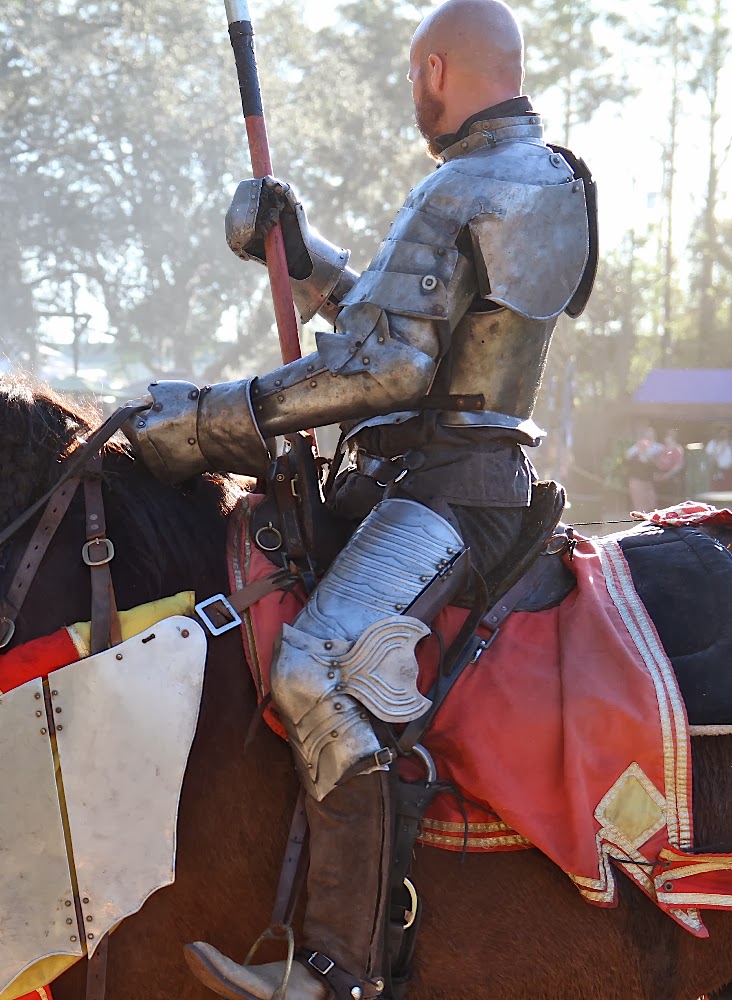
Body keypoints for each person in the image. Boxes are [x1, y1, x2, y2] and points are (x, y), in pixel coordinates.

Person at [125, 2, 594, 997]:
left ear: (432, 69)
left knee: (313, 667)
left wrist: (203, 420)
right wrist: (302, 254)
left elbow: (387, 370)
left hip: (447, 494)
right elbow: (411, 332)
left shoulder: (468, 181)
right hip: (436, 478)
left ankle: (343, 963)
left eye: (410, 77)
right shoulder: (535, 177)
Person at [624, 425, 661, 512]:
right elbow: (627, 455)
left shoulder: (658, 449)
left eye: (651, 434)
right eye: (647, 435)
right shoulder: (637, 449)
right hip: (637, 479)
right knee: (639, 504)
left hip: (650, 480)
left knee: (652, 503)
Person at [653, 427, 685, 502]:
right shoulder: (663, 449)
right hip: (661, 476)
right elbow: (658, 461)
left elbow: (678, 465)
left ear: (673, 438)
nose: (665, 439)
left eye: (667, 437)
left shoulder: (677, 449)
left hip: (672, 478)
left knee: (670, 499)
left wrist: (668, 475)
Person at [707, 425, 732, 492]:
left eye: (726, 432)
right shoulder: (713, 443)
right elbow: (709, 457)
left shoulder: (730, 443)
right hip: (716, 470)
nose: (724, 434)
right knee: (717, 490)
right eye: (722, 432)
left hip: (729, 470)